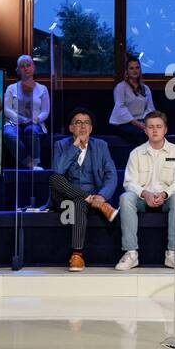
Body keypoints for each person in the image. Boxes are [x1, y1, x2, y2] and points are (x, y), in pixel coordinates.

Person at [116, 111, 175, 271]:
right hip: (143, 199)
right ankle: (131, 253)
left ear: (165, 129)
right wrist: (146, 193)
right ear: (145, 130)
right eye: (150, 127)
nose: (154, 130)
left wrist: (165, 193)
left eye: (158, 126)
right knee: (126, 198)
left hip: (169, 199)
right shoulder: (136, 153)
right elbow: (129, 182)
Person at [49, 107, 118, 270]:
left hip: (94, 198)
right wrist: (75, 146)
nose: (82, 126)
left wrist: (101, 196)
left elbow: (111, 175)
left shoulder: (101, 145)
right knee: (54, 178)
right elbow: (58, 170)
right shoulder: (60, 145)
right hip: (64, 198)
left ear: (91, 128)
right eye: (78, 123)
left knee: (79, 202)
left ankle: (77, 255)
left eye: (86, 123)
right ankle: (96, 204)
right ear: (71, 128)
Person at [3, 54, 49, 169]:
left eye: (28, 65)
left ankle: (36, 163)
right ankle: (29, 163)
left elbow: (45, 111)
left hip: (35, 122)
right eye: (22, 66)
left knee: (31, 131)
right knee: (8, 134)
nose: (26, 68)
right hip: (14, 122)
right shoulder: (11, 88)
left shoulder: (42, 89)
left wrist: (35, 119)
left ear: (33, 68)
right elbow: (7, 109)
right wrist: (21, 119)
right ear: (18, 71)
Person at [109, 56, 155, 144]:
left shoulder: (145, 88)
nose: (135, 71)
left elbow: (150, 108)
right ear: (127, 71)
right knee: (141, 135)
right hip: (124, 123)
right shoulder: (121, 87)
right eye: (131, 68)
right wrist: (137, 123)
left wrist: (145, 122)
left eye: (137, 68)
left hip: (142, 121)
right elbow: (120, 108)